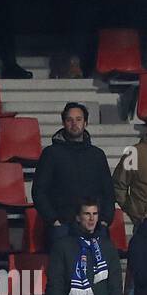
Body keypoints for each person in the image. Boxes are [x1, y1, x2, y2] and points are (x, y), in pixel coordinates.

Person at [32, 102, 115, 247]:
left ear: (86, 123)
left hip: (94, 226)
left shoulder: (97, 155)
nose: (74, 124)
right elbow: (39, 191)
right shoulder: (51, 154)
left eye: (78, 119)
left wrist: (105, 220)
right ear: (64, 123)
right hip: (63, 226)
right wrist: (54, 220)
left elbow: (109, 192)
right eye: (69, 120)